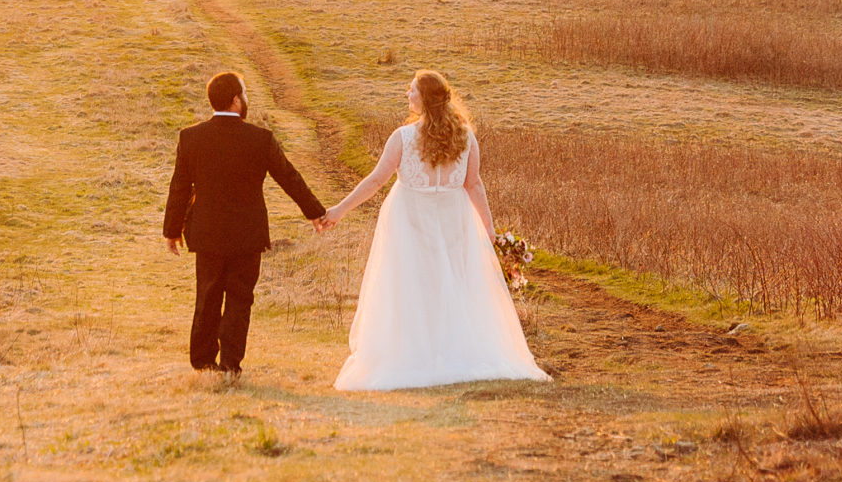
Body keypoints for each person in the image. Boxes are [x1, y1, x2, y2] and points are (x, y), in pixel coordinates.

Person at [319, 67, 550, 391]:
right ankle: (449, 351)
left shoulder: (403, 138)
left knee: (411, 284)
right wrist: (488, 231)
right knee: (450, 282)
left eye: (412, 90)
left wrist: (338, 211)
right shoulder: (465, 135)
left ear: (425, 98)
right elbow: (473, 185)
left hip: (410, 218)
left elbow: (376, 181)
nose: (407, 95)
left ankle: (418, 354)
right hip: (453, 219)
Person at [161, 70, 326, 378]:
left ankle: (203, 362)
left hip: (207, 234)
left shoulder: (191, 138)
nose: (247, 100)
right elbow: (289, 178)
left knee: (207, 295)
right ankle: (230, 364)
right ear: (236, 100)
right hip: (247, 235)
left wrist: (171, 230)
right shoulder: (260, 139)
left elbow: (179, 187)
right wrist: (314, 212)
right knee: (240, 299)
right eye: (245, 95)